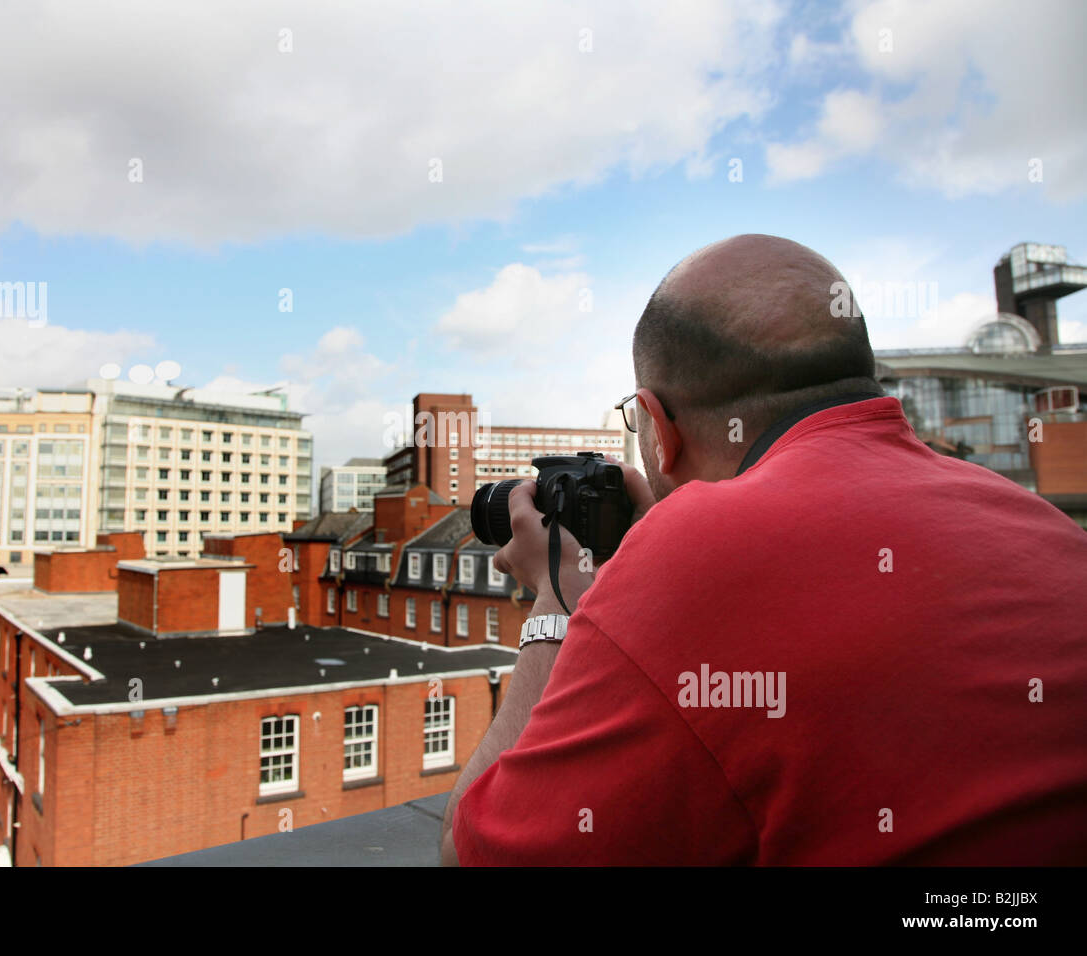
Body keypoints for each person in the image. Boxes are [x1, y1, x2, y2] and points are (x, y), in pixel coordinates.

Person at [440, 234, 1087, 865]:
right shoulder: (1043, 525)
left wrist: (559, 599)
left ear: (657, 428)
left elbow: (476, 856)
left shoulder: (688, 552)